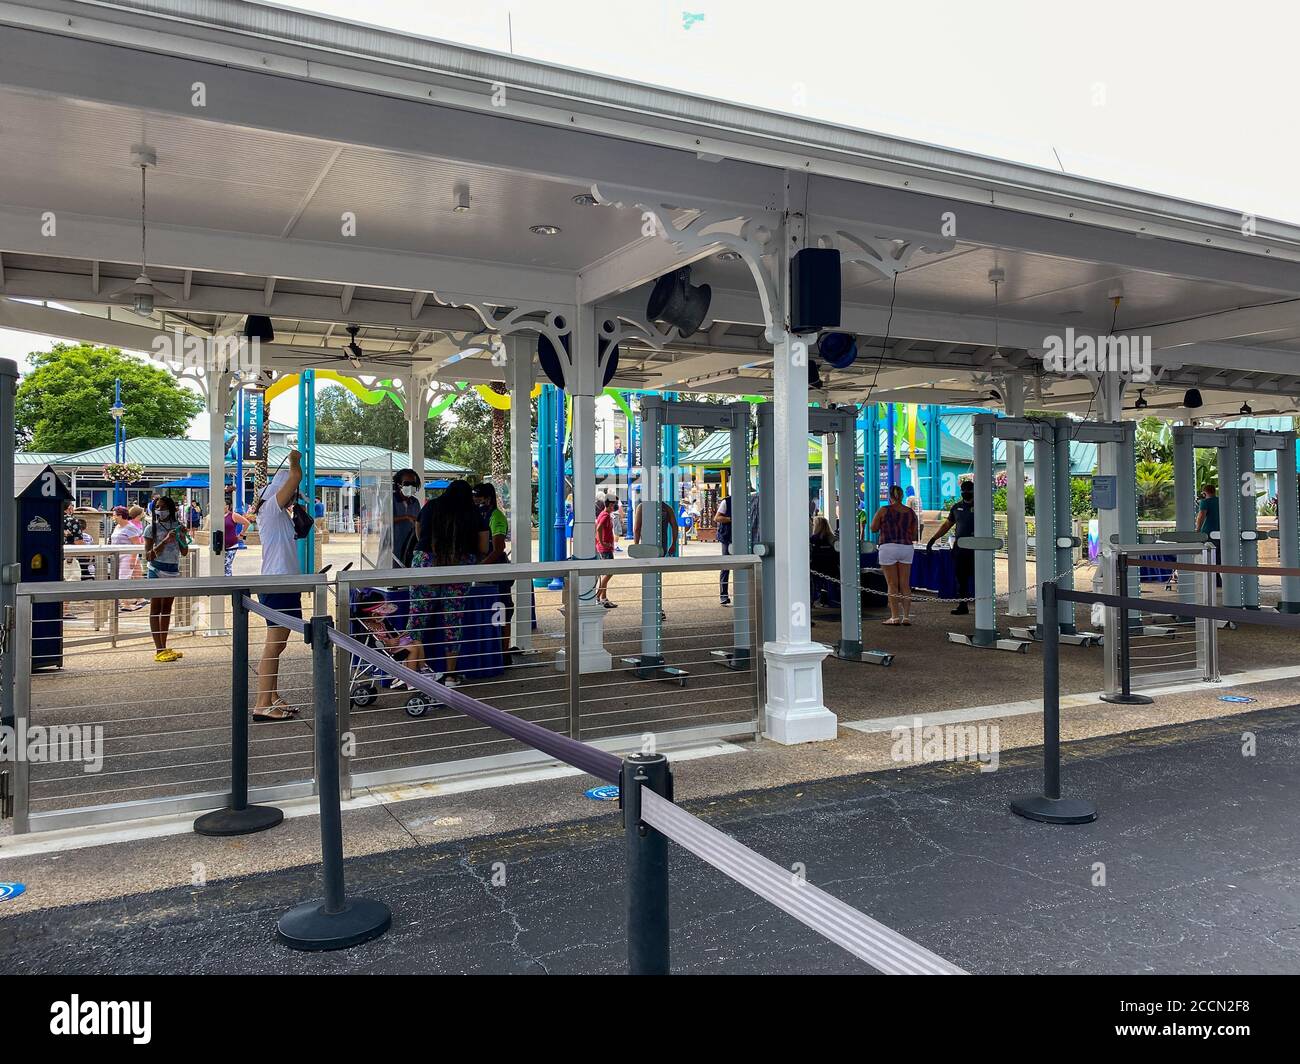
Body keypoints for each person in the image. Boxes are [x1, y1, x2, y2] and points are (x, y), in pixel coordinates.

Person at [410, 480, 487, 686]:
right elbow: (482, 545)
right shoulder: (473, 513)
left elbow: (418, 531)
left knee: (417, 617)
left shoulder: (431, 506)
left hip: (425, 562)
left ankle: (418, 671)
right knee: (453, 620)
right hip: (459, 566)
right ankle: (450, 675)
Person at [249, 451, 304, 719]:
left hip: (283, 583)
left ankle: (271, 696)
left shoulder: (276, 513)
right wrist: (295, 460)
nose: (294, 498)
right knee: (274, 643)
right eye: (292, 493)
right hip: (277, 583)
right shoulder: (271, 507)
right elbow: (294, 476)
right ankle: (262, 703)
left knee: (279, 644)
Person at [472, 481, 516, 661]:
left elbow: (499, 547)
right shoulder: (476, 514)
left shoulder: (496, 516)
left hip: (496, 572)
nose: (475, 500)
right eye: (473, 496)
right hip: (483, 572)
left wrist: (482, 566)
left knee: (503, 611)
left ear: (488, 498)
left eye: (478, 496)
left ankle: (503, 653)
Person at [143, 495, 190, 662]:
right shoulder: (151, 529)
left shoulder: (178, 527)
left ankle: (164, 645)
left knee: (167, 609)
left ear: (171, 509)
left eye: (163, 507)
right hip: (156, 569)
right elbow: (148, 556)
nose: (160, 510)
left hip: (172, 570)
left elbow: (184, 552)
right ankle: (159, 648)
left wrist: (181, 537)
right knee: (155, 609)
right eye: (157, 507)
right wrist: (164, 541)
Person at [870, 484, 918, 625]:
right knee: (905, 584)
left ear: (889, 497)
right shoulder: (910, 512)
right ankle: (907, 617)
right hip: (906, 547)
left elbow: (873, 528)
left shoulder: (883, 510)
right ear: (902, 496)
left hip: (888, 546)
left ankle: (895, 617)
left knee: (892, 583)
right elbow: (914, 534)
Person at [927, 479, 976, 616]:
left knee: (980, 576)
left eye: (968, 491)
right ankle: (963, 605)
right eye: (963, 491)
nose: (966, 493)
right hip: (960, 548)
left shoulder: (982, 506)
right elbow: (946, 525)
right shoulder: (956, 507)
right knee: (961, 577)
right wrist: (933, 539)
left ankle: (986, 604)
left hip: (978, 548)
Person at [109, 506, 145, 611]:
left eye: (114, 515)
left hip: (127, 555)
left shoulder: (130, 527)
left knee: (123, 578)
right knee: (121, 578)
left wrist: (133, 559)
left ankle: (126, 603)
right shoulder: (117, 527)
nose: (113, 517)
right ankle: (126, 601)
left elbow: (137, 544)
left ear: (120, 516)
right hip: (117, 556)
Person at [391, 468, 422, 567]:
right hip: (393, 544)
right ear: (399, 484)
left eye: (413, 484)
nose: (410, 486)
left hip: (410, 545)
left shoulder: (415, 502)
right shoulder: (391, 499)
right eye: (407, 483)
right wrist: (406, 517)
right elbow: (384, 520)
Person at [1196, 482, 1222, 587]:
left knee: (1209, 557)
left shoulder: (1205, 502)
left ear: (1204, 493)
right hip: (1220, 532)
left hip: (1208, 532)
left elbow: (1201, 516)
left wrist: (1198, 529)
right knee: (1218, 557)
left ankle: (1214, 581)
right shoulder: (1221, 500)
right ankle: (1218, 579)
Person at [595, 496, 618, 607]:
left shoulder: (603, 515)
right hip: (605, 548)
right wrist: (603, 542)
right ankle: (598, 596)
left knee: (607, 573)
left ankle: (603, 598)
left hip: (605, 548)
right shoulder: (605, 516)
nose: (615, 506)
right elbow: (598, 528)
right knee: (609, 573)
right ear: (610, 504)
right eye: (614, 504)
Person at [222, 491, 252, 577]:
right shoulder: (218, 516)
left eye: (224, 504)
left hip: (231, 545)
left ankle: (228, 584)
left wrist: (241, 534)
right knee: (221, 566)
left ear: (227, 506)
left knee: (227, 565)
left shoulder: (233, 515)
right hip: (221, 545)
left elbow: (247, 523)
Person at [716, 492, 735, 606]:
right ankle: (723, 595)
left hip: (740, 537)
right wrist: (732, 519)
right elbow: (717, 518)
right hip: (727, 537)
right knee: (726, 566)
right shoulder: (726, 501)